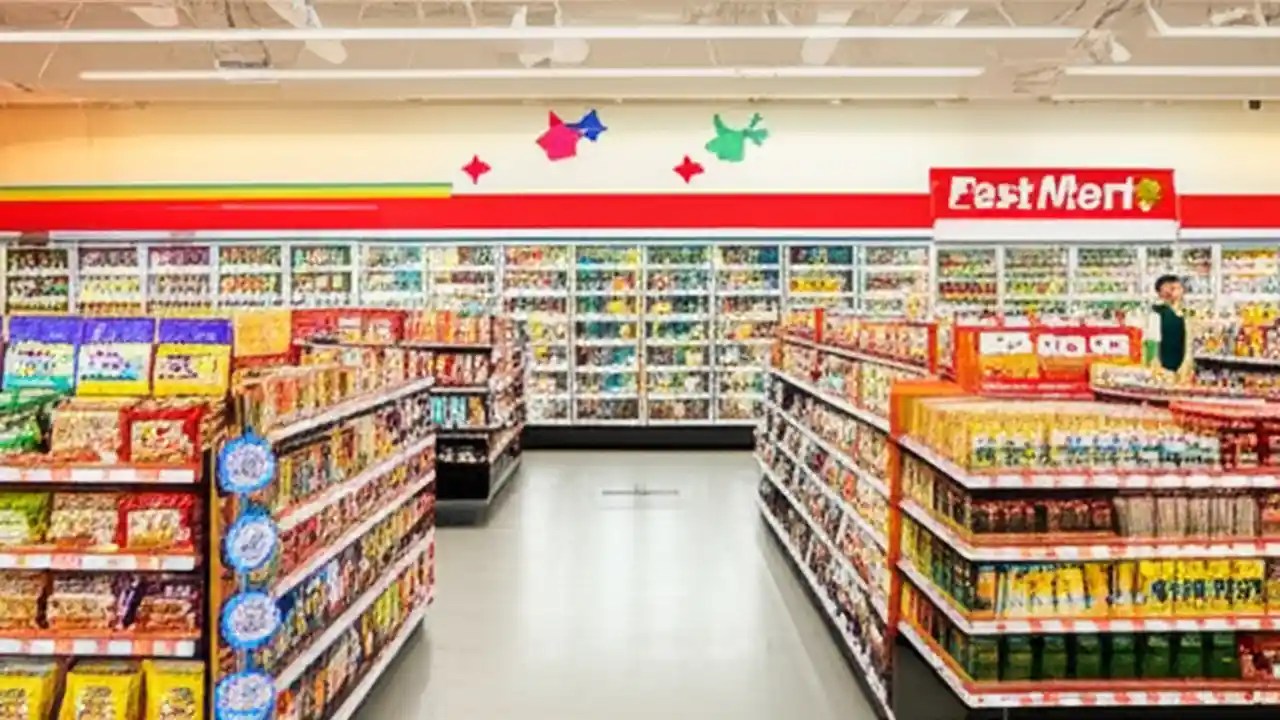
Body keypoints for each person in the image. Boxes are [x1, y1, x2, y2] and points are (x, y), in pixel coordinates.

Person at [1144, 274, 1192, 375]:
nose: (1175, 292)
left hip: (1180, 364)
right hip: (1163, 365)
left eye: (1178, 288)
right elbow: (1152, 342)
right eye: (1172, 288)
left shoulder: (1183, 312)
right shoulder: (1157, 311)